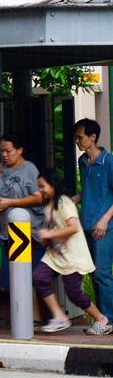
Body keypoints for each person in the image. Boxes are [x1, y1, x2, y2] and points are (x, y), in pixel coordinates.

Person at [33, 170, 113, 335]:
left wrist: (50, 234)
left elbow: (73, 227)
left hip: (72, 256)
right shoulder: (48, 204)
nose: (40, 190)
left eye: (43, 186)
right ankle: (59, 316)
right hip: (55, 254)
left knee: (74, 294)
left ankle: (101, 319)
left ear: (53, 185)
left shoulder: (64, 202)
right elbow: (55, 227)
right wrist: (47, 238)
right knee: (39, 277)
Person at [74, 118, 113, 322]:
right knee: (94, 273)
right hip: (87, 224)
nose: (77, 142)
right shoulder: (82, 161)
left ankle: (109, 318)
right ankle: (102, 319)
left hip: (105, 227)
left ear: (93, 137)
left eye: (80, 137)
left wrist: (105, 221)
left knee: (102, 274)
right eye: (76, 138)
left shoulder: (108, 162)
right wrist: (74, 199)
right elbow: (92, 191)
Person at [0, 133, 45, 246]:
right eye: (2, 151)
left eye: (8, 151)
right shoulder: (0, 168)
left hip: (27, 231)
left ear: (19, 150)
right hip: (5, 231)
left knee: (23, 263)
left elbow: (39, 198)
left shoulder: (29, 169)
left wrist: (9, 203)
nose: (4, 155)